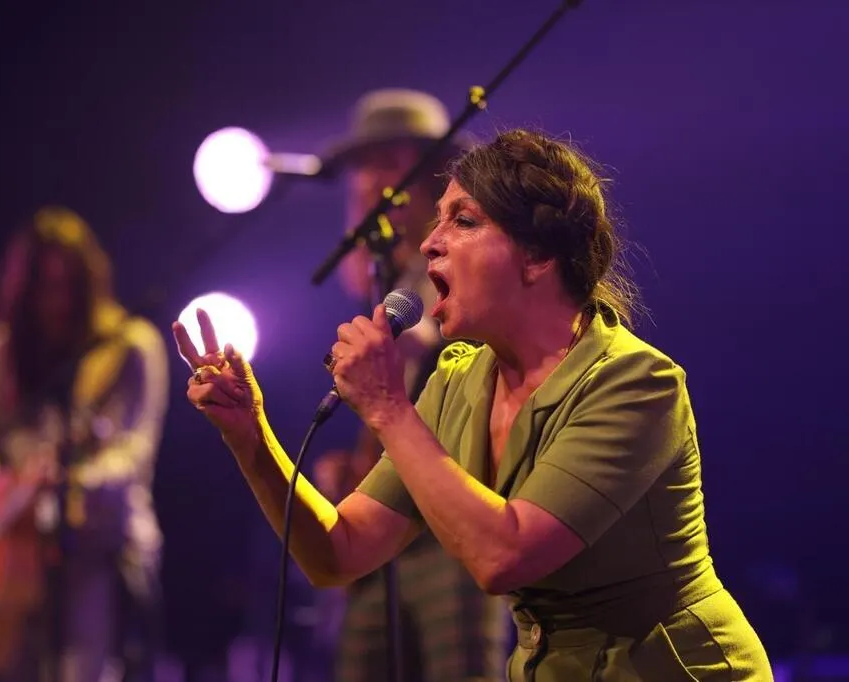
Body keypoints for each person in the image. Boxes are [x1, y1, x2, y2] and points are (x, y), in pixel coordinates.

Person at [172, 129, 773, 680]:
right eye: (438, 220)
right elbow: (337, 553)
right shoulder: (461, 381)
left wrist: (387, 409)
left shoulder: (636, 382)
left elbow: (503, 556)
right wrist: (250, 437)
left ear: (537, 256)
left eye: (463, 220)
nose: (430, 243)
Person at [311, 88, 510, 681]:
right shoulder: (389, 281)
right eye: (365, 167)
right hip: (388, 536)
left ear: (434, 176)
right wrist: (353, 468)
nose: (373, 181)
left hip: (452, 529)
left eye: (390, 163)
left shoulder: (461, 273)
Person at [0, 206, 169, 682]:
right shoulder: (3, 351)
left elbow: (132, 455)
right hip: (13, 567)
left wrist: (69, 480)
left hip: (97, 552)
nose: (56, 303)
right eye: (44, 286)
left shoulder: (129, 347)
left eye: (67, 286)